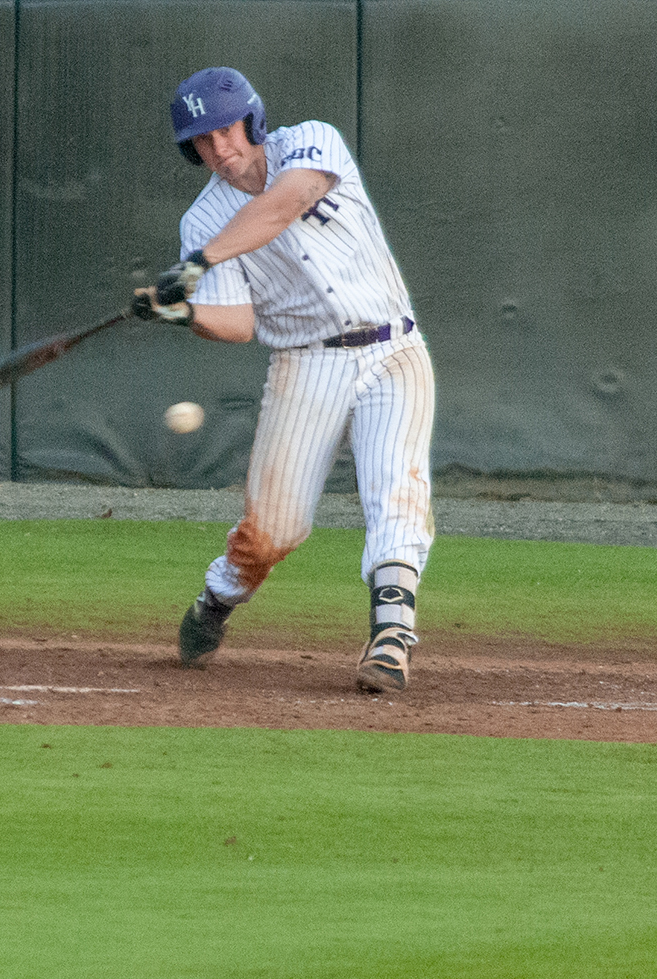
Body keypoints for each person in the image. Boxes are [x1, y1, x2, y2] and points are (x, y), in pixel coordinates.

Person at [133, 68, 436, 693]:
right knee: (274, 531)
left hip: (393, 348)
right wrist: (183, 311)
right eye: (203, 140)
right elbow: (238, 325)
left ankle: (391, 637)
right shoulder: (202, 222)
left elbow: (288, 201)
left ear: (253, 119)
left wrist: (200, 262)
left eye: (227, 129)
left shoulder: (311, 143)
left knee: (397, 490)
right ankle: (219, 595)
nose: (220, 149)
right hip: (306, 362)